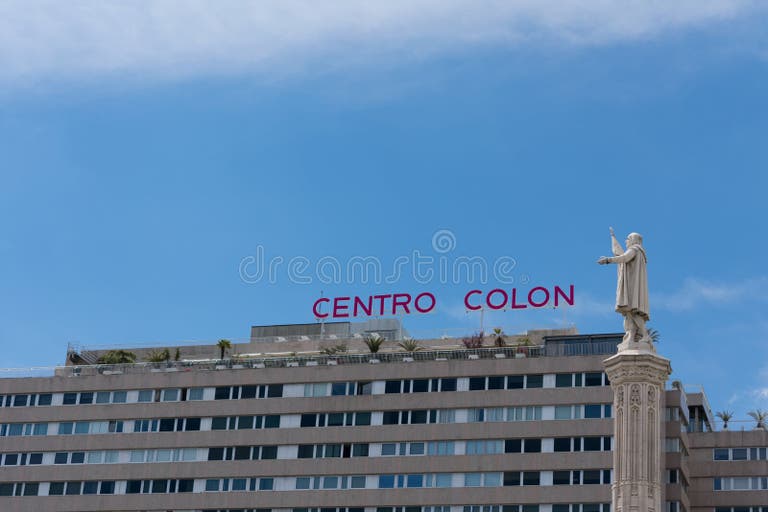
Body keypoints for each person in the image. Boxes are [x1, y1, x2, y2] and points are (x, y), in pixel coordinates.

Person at [597, 228, 650, 345]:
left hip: (632, 287)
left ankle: (645, 335)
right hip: (632, 285)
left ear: (633, 240)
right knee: (629, 313)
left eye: (627, 239)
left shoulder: (635, 249)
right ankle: (631, 336)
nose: (626, 241)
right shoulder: (639, 252)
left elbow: (624, 258)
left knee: (632, 311)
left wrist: (608, 260)